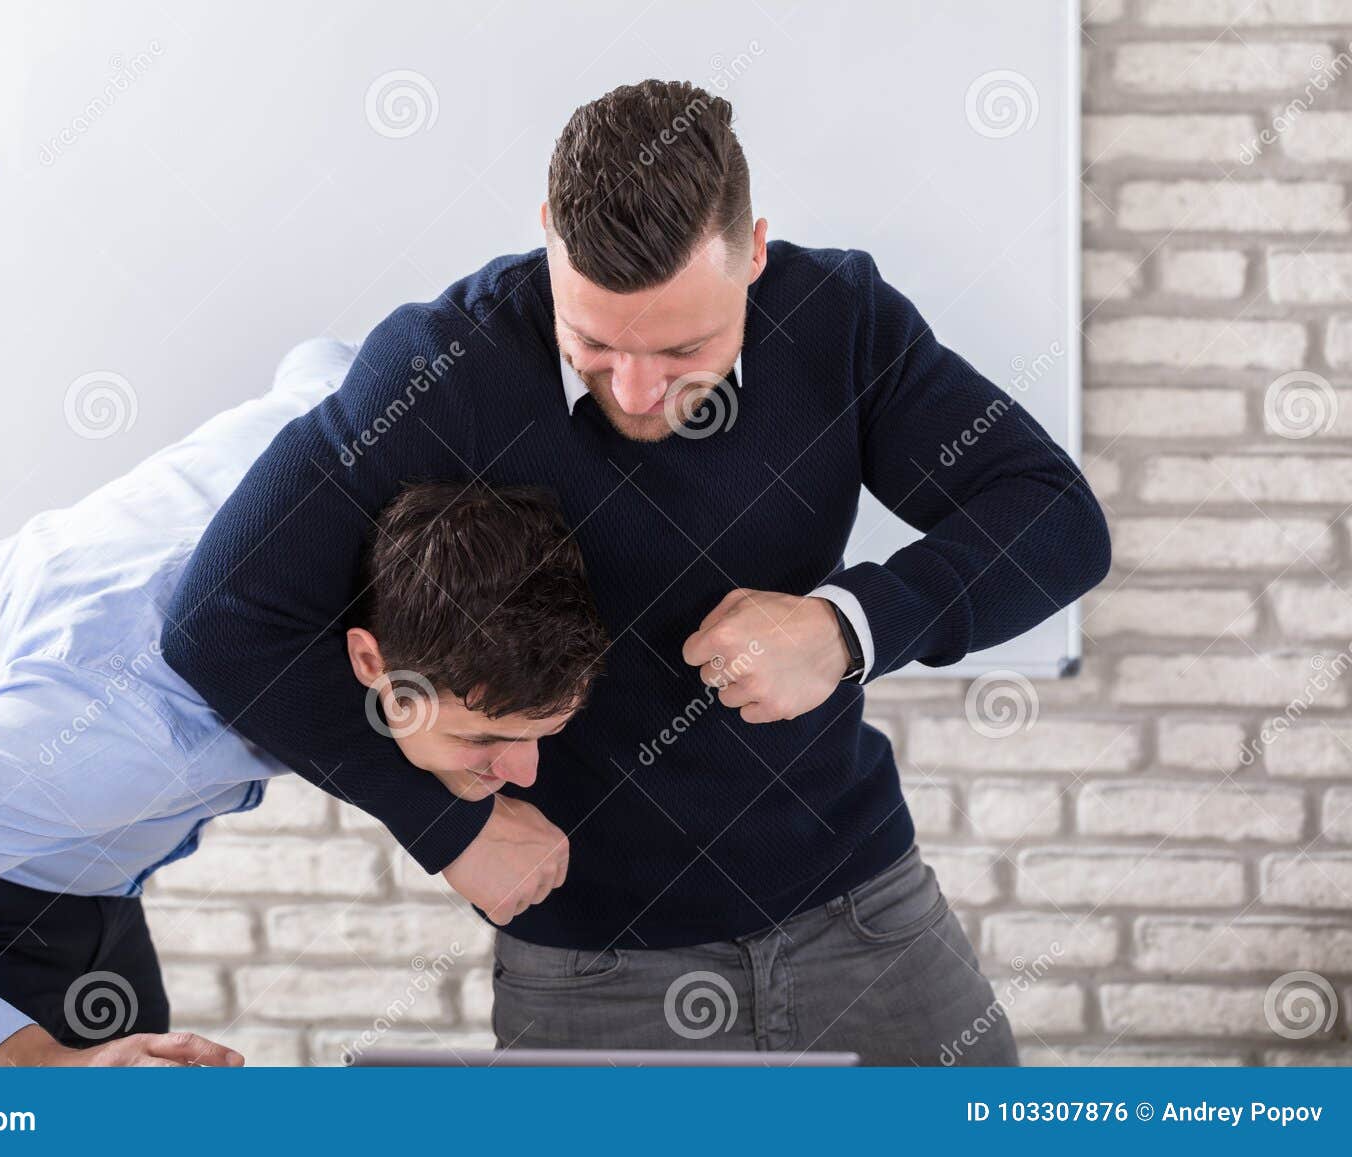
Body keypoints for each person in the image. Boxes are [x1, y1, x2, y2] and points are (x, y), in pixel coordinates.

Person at [162, 81, 1113, 1064]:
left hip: (863, 916)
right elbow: (226, 616)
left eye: (683, 348)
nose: (637, 389)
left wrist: (845, 626)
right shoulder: (446, 367)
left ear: (753, 254)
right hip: (594, 969)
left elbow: (1052, 517)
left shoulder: (837, 320)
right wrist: (441, 823)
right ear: (548, 242)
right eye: (595, 345)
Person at [0, 339, 607, 1067]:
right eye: (485, 737)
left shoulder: (357, 451)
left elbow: (317, 359)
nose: (518, 770)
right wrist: (44, 1070)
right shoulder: (137, 718)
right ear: (371, 662)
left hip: (75, 882)